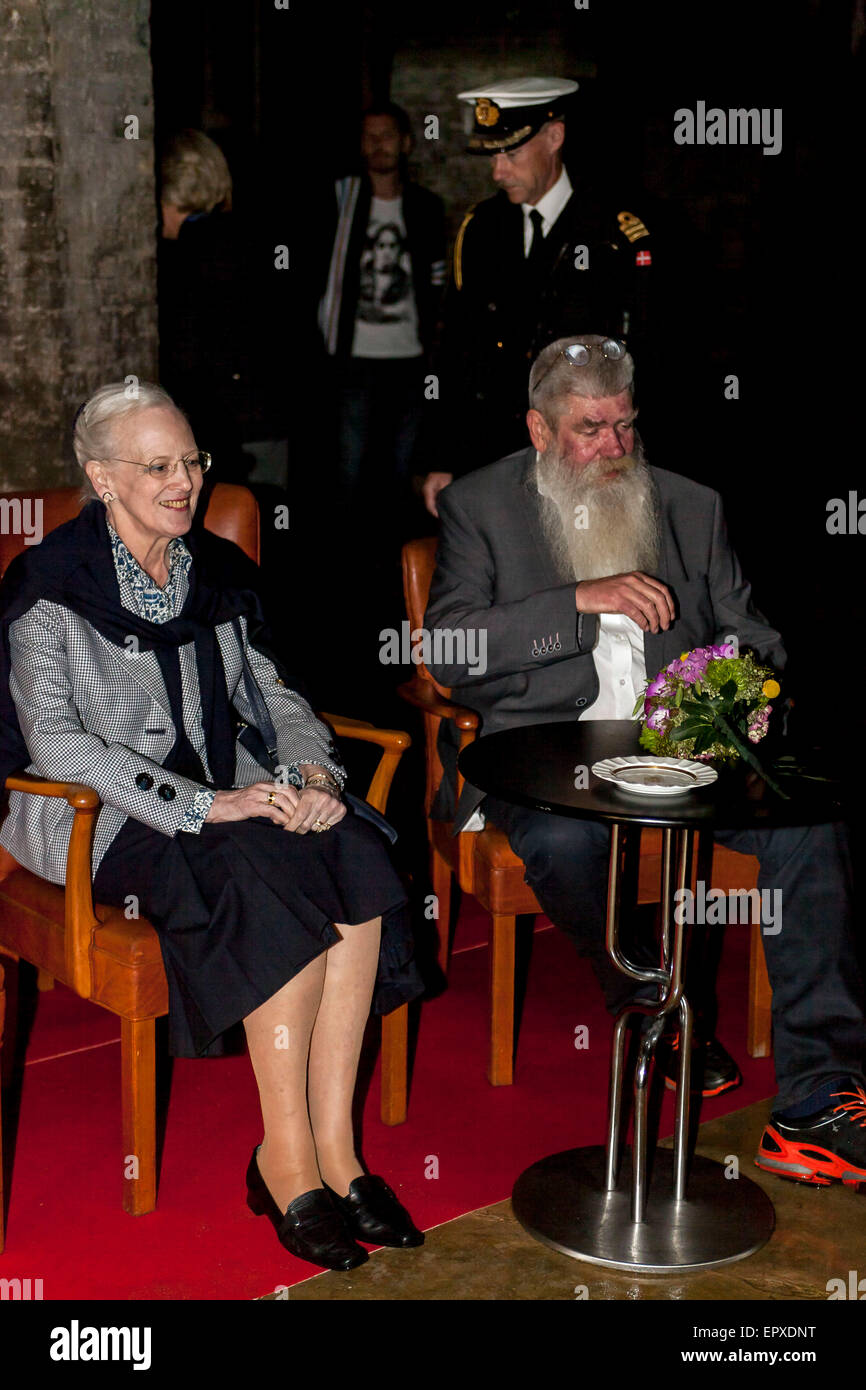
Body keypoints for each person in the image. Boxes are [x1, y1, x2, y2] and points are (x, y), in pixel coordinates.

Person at [0, 383, 425, 1270]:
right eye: (157, 466)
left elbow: (273, 696)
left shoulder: (216, 574)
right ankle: (288, 1163)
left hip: (227, 795)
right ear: (101, 478)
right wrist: (201, 804)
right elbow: (59, 746)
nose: (183, 481)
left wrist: (308, 774)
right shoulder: (48, 588)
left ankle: (339, 1155)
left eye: (191, 462)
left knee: (345, 840)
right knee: (252, 868)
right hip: (99, 818)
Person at [424, 334, 866, 1185]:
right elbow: (444, 647)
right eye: (590, 430)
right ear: (540, 429)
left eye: (625, 426)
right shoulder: (482, 504)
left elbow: (758, 642)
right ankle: (647, 998)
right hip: (544, 753)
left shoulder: (691, 505)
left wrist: (737, 697)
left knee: (811, 828)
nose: (615, 449)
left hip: (680, 756)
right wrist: (577, 602)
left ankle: (818, 1097)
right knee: (562, 845)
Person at [423, 75, 668, 518]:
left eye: (511, 153)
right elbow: (456, 351)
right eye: (493, 156)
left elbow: (647, 355)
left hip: (586, 457)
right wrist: (443, 456)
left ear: (554, 137)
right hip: (495, 450)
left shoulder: (614, 233)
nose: (498, 172)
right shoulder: (481, 228)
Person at [317, 102, 447, 527]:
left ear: (406, 142)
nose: (379, 144)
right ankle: (347, 554)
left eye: (387, 134)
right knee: (347, 470)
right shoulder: (340, 202)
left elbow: (439, 281)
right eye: (370, 136)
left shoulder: (425, 207)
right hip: (354, 356)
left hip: (411, 359)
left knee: (404, 468)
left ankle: (398, 556)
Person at [158, 129, 287, 484]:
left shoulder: (198, 251)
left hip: (235, 426)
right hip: (257, 418)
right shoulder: (242, 236)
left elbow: (192, 352)